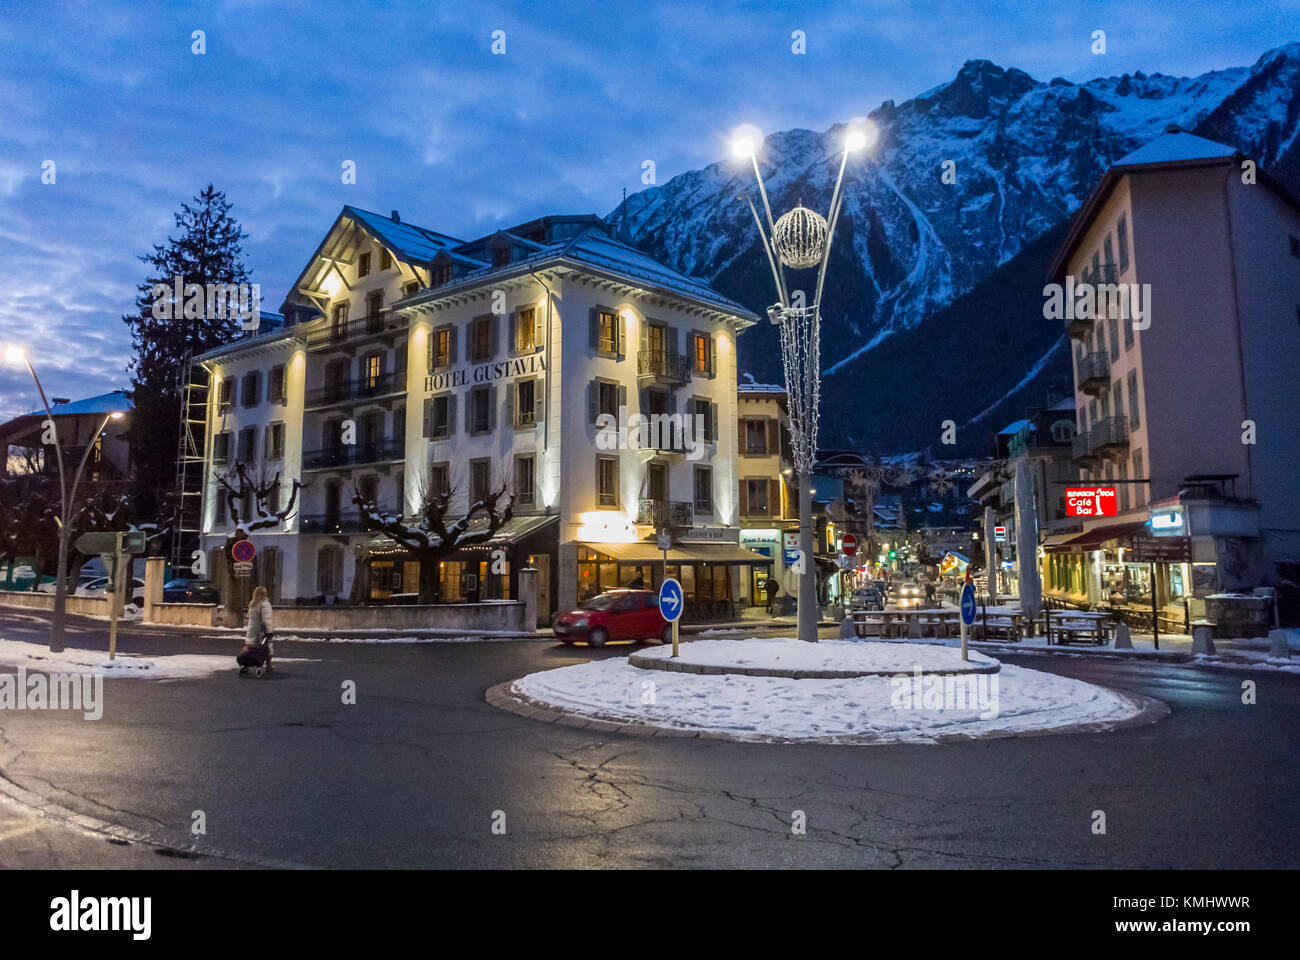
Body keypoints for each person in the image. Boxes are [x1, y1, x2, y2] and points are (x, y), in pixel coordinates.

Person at [246, 585, 275, 674]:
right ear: (264, 594)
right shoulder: (265, 604)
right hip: (261, 631)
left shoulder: (252, 604)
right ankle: (269, 666)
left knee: (251, 648)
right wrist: (269, 632)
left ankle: (246, 665)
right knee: (268, 648)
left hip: (252, 630)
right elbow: (267, 619)